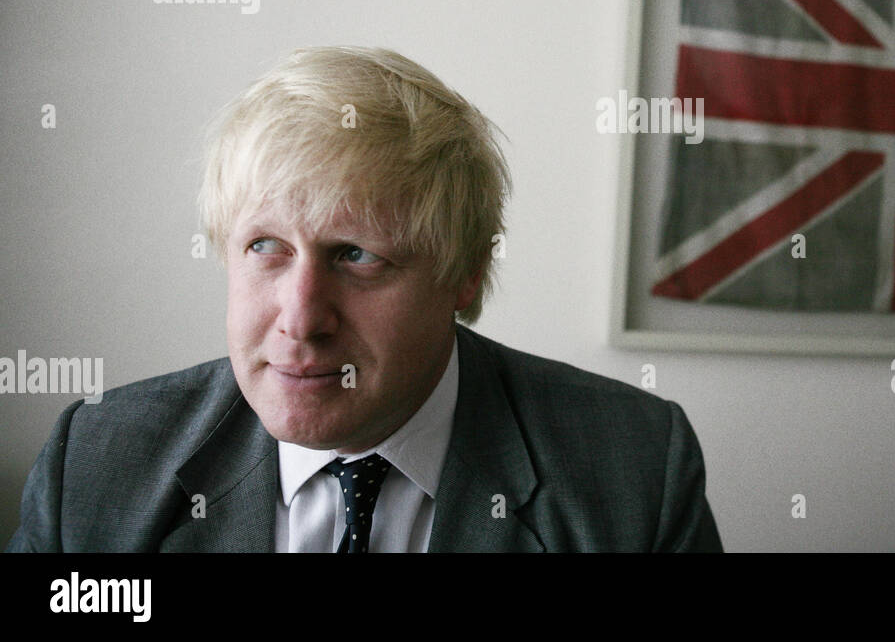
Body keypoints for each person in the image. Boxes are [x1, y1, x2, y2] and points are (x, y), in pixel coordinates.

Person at [6, 46, 723, 552]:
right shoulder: (100, 462)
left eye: (356, 256)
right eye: (264, 247)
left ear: (464, 274)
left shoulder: (632, 468)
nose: (300, 320)